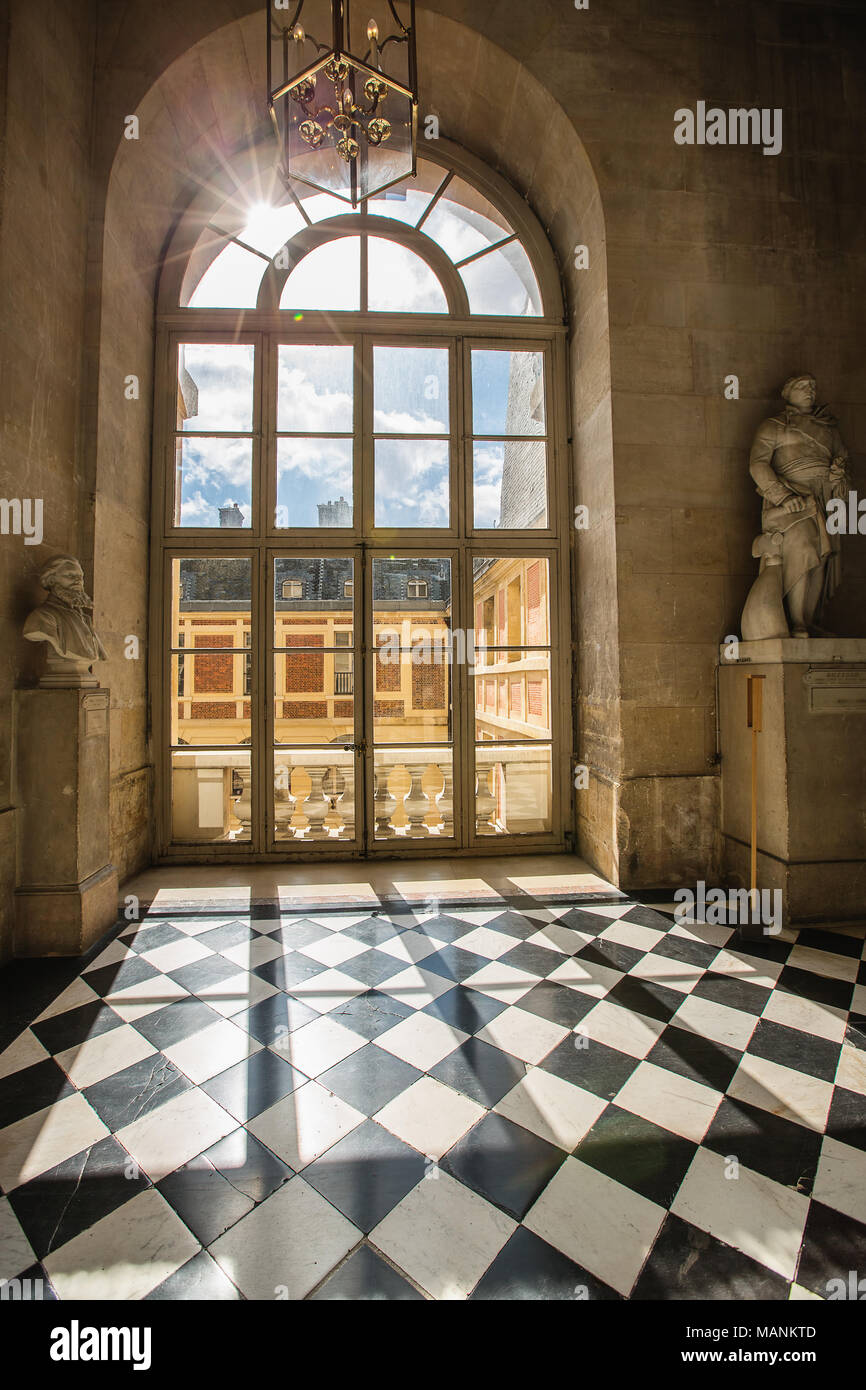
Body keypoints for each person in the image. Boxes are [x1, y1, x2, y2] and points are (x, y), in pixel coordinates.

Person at [748, 375, 850, 636]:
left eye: (813, 387)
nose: (810, 391)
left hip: (824, 498)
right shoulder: (773, 426)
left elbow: (842, 462)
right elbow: (757, 464)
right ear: (787, 393)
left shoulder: (829, 430)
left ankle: (808, 617)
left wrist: (837, 476)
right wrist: (782, 495)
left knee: (821, 556)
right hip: (792, 498)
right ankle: (796, 620)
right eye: (803, 387)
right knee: (803, 546)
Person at [23, 555, 107, 663]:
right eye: (70, 576)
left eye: (80, 577)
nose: (78, 581)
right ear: (51, 579)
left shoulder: (84, 618)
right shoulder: (43, 616)